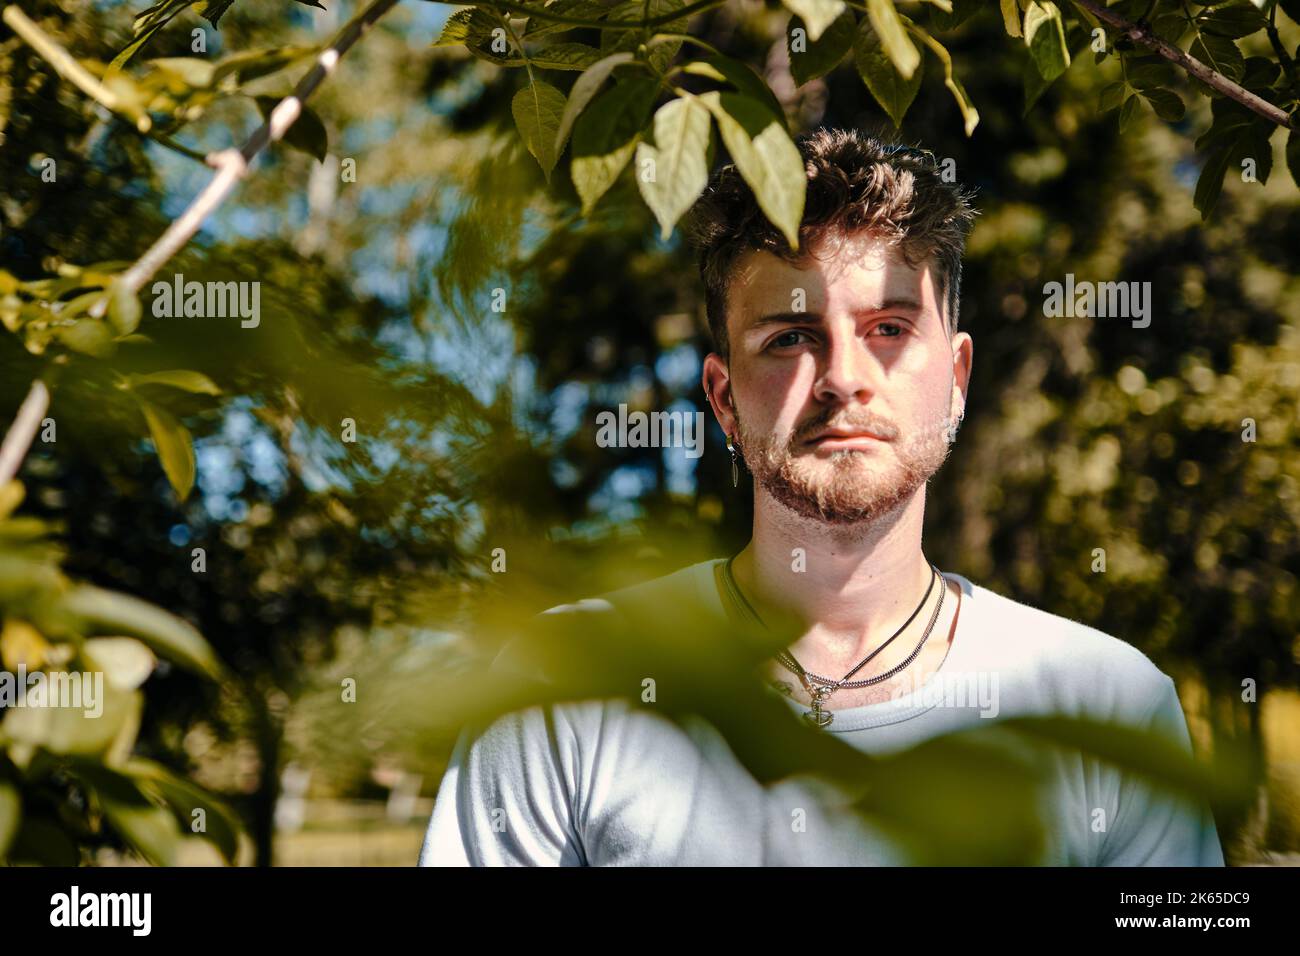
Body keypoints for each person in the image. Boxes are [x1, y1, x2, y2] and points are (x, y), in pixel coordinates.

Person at [419, 128, 1225, 866]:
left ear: (957, 378)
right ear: (724, 400)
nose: (843, 378)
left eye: (890, 330)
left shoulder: (1111, 704)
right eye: (792, 338)